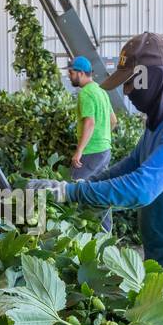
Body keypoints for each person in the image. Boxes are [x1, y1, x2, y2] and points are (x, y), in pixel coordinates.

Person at [30, 32, 163, 290]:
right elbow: (131, 164)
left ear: (153, 78)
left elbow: (142, 188)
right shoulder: (160, 123)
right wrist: (82, 186)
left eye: (131, 83)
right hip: (162, 263)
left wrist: (72, 192)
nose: (126, 92)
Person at [66, 55, 114, 231]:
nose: (69, 76)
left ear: (80, 73)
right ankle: (105, 234)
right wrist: (104, 137)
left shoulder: (86, 93)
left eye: (71, 73)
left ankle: (73, 235)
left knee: (73, 190)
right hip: (105, 149)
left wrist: (79, 151)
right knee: (100, 190)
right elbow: (113, 120)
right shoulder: (101, 92)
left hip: (91, 151)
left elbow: (89, 122)